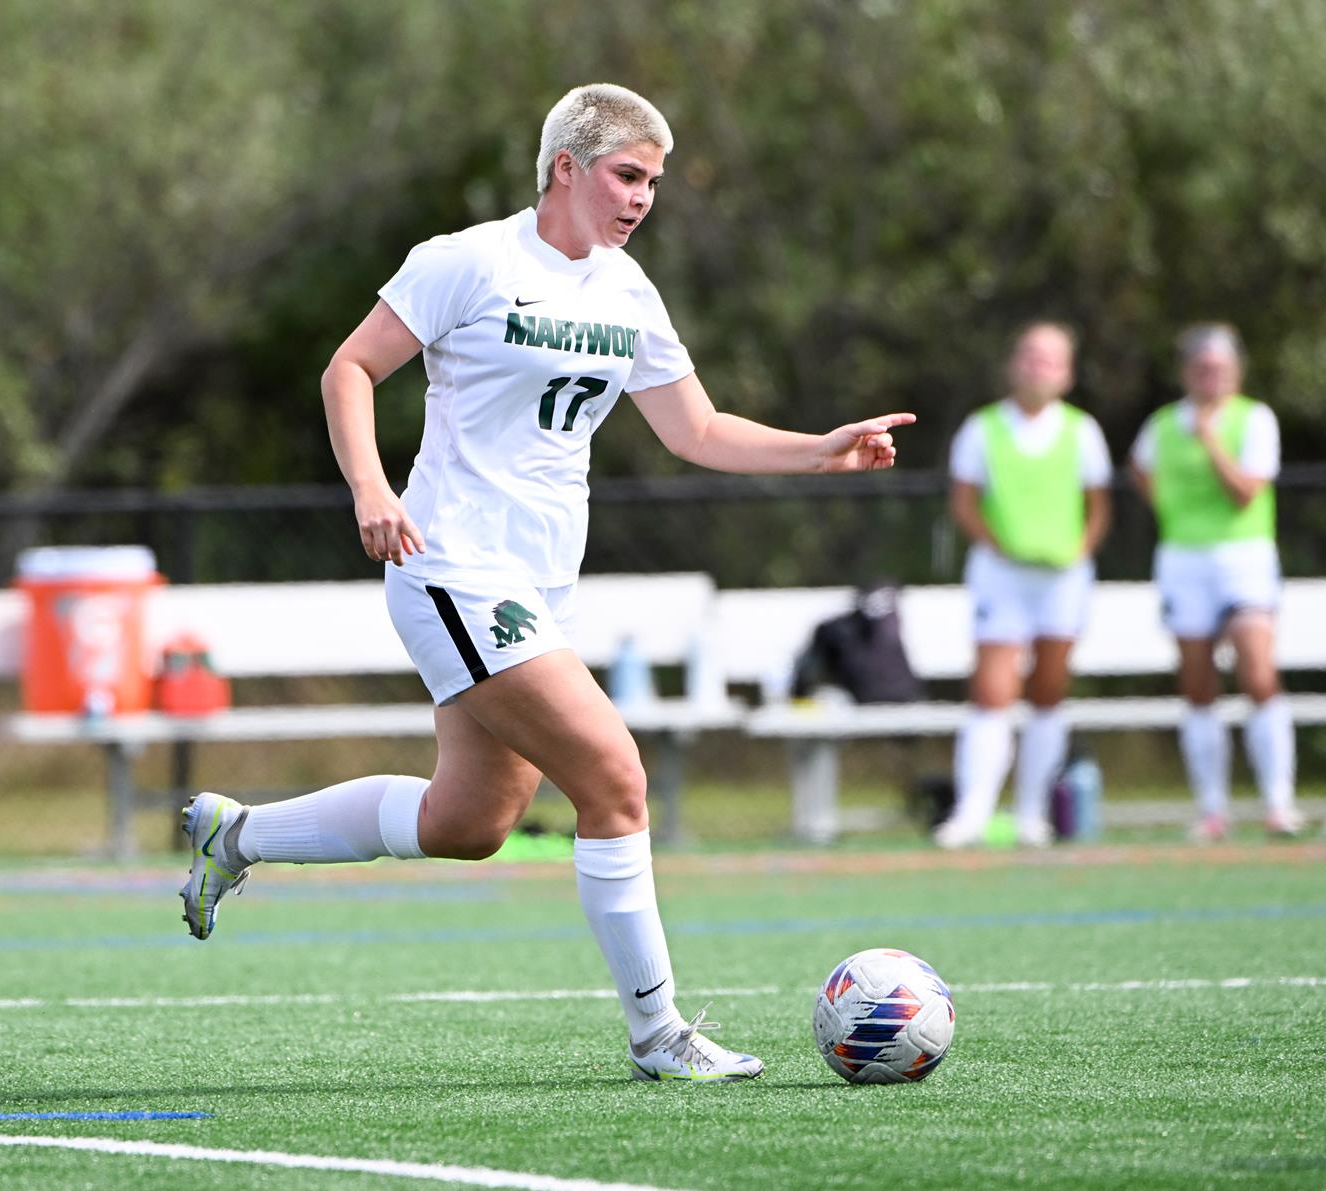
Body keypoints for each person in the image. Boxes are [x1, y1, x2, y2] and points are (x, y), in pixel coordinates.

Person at [177, 84, 912, 1083]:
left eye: (651, 181)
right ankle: (658, 1034)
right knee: (613, 777)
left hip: (536, 585)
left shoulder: (624, 288)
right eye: (626, 175)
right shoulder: (464, 261)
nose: (641, 197)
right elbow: (347, 370)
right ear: (563, 167)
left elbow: (694, 429)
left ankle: (240, 833)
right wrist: (371, 490)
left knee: (468, 824)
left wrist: (818, 451)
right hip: (450, 566)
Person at [934, 322, 1112, 849]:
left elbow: (1097, 506)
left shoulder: (1082, 431)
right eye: (1031, 357)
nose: (1039, 368)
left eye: (1051, 360)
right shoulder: (982, 428)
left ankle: (1032, 813)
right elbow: (964, 501)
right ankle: (972, 814)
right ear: (1014, 364)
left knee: (1048, 693)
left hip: (1062, 580)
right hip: (1002, 577)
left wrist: (1079, 551)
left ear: (1068, 372)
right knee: (992, 693)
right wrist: (999, 545)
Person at [1131, 323, 1305, 841]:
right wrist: (1168, 504)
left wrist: (1209, 440)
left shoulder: (1254, 419)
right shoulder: (1162, 424)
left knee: (1257, 673)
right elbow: (1141, 471)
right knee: (1198, 682)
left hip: (1243, 558)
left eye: (1220, 368)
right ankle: (1212, 809)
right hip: (1184, 560)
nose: (1210, 377)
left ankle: (1279, 803)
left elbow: (1245, 492)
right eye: (1202, 367)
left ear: (1236, 371)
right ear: (1187, 372)